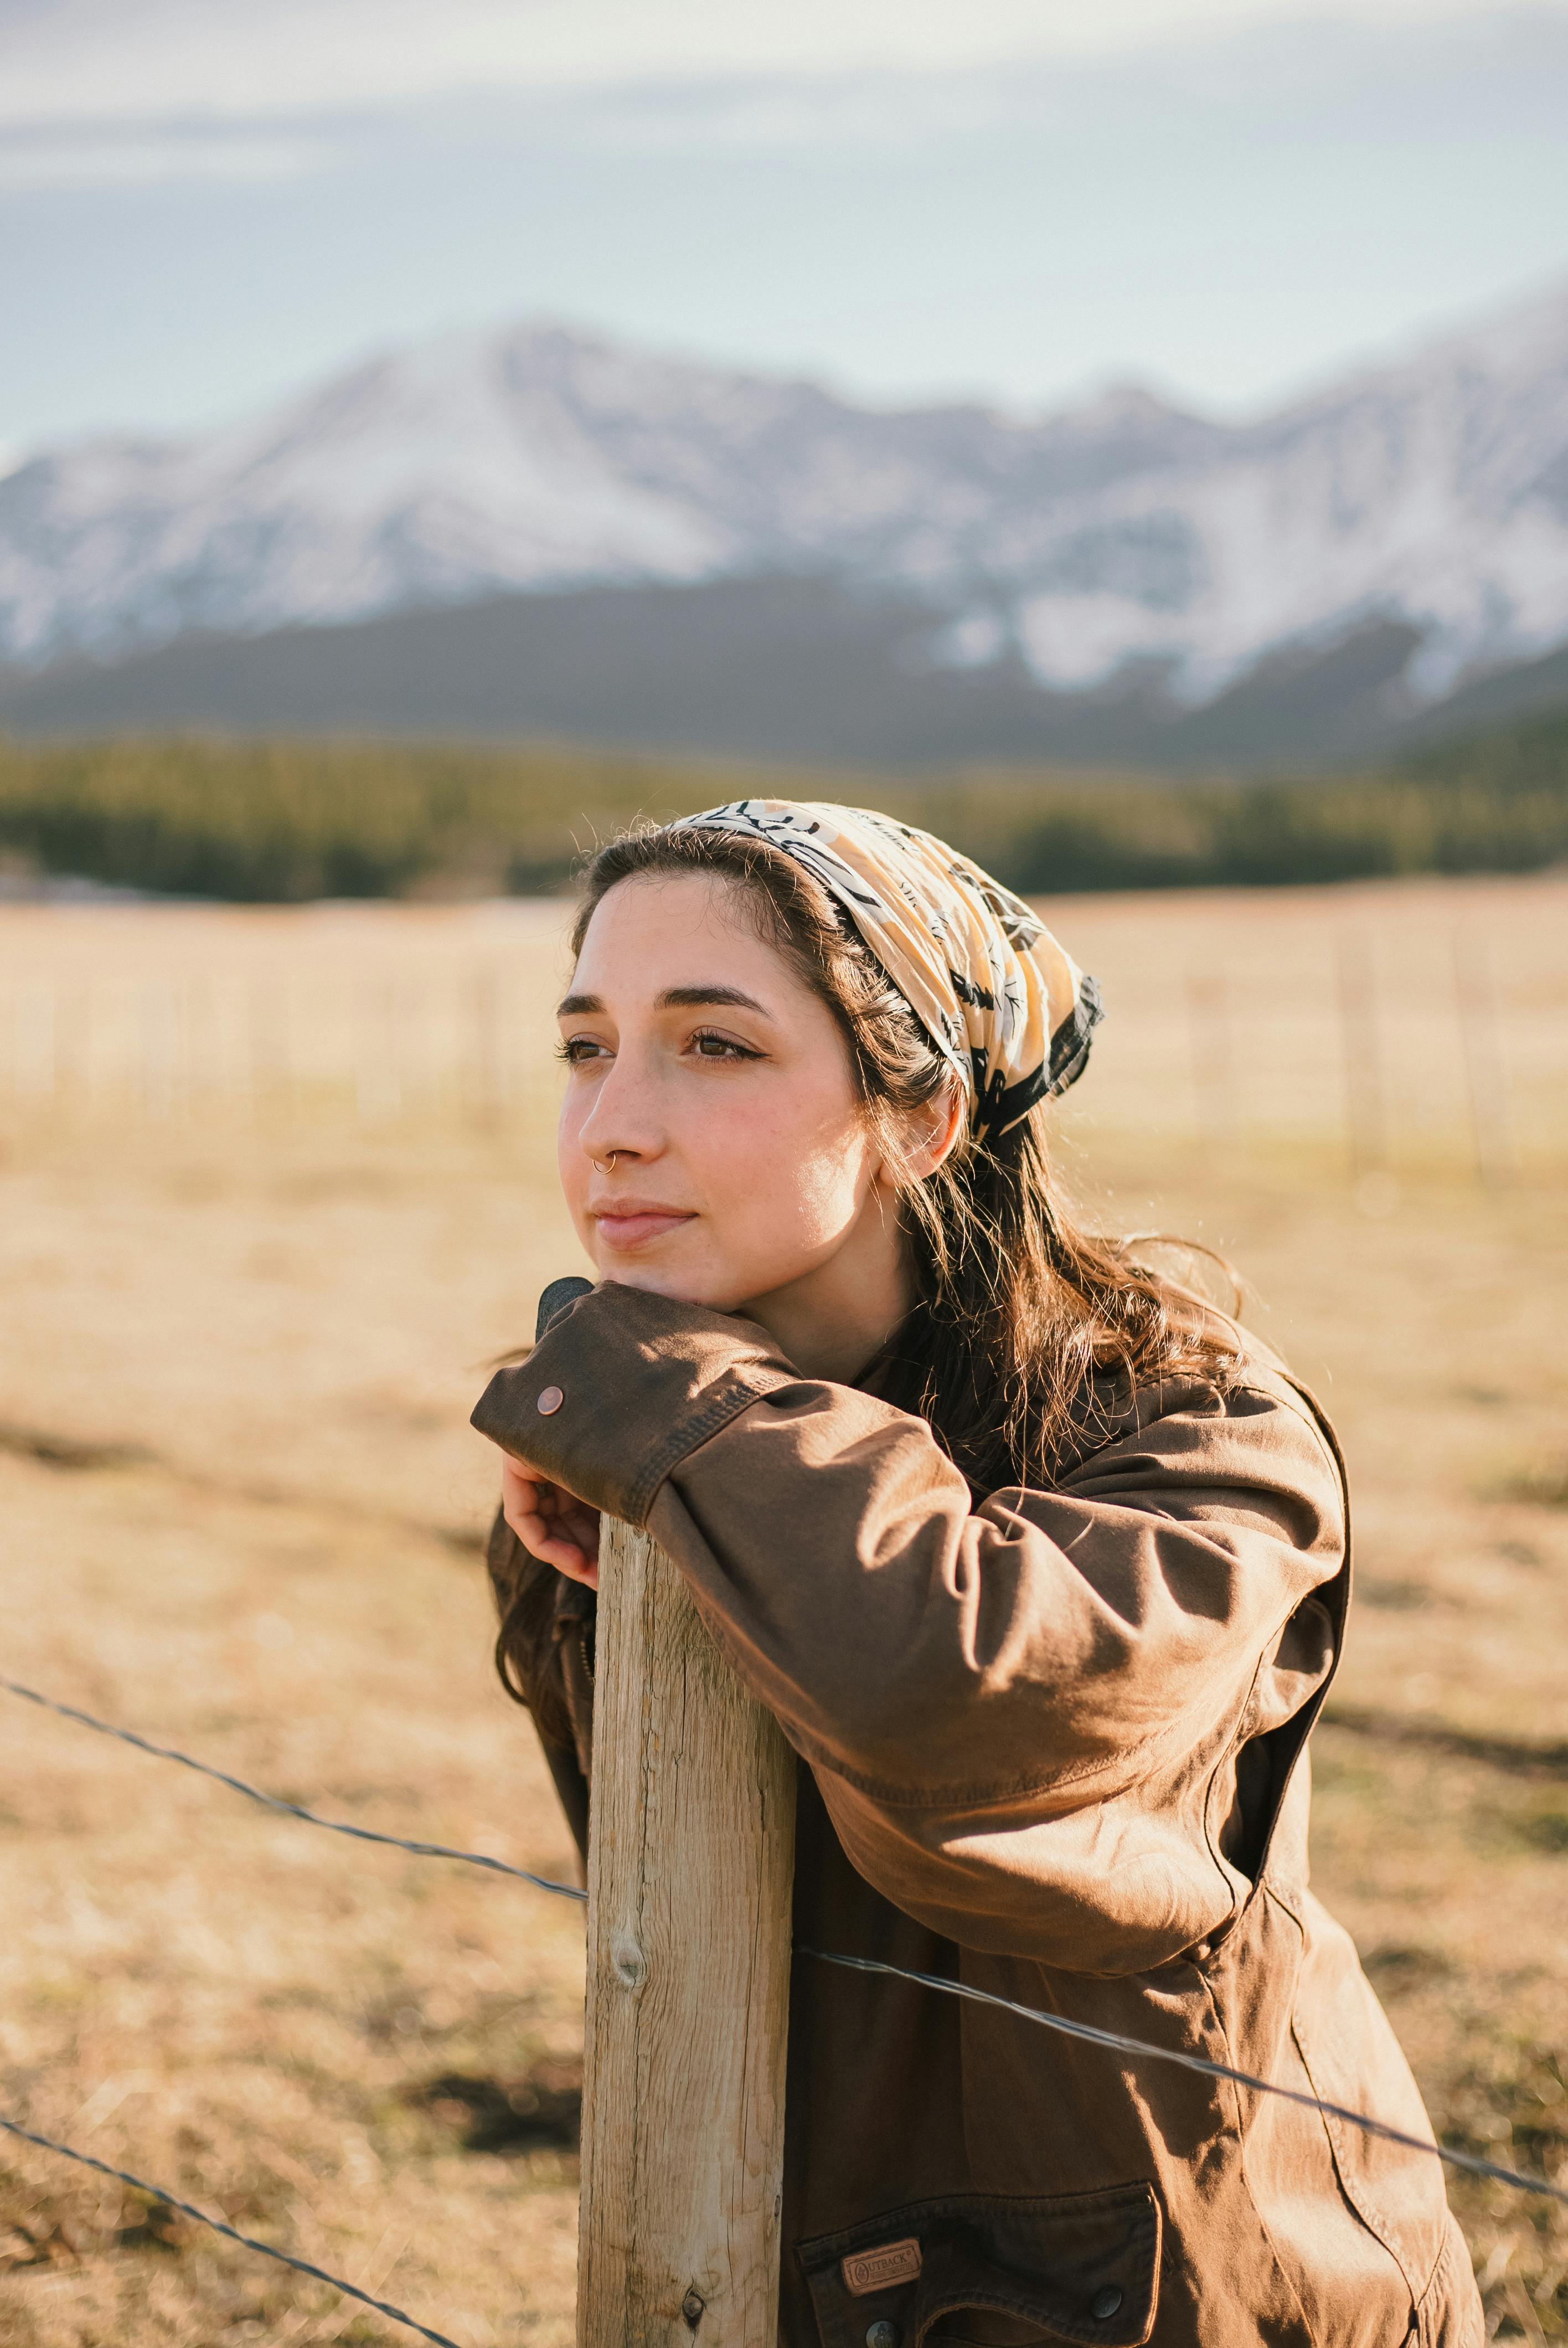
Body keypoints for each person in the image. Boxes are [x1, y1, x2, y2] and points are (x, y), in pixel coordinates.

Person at [472, 800, 1481, 2347]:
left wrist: (677, 1420)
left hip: (1195, 2295)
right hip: (772, 2275)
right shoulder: (640, 1460)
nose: (611, 1123)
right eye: (585, 1046)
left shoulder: (1199, 1437)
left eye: (715, 1047)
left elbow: (957, 1705)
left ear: (924, 1113)